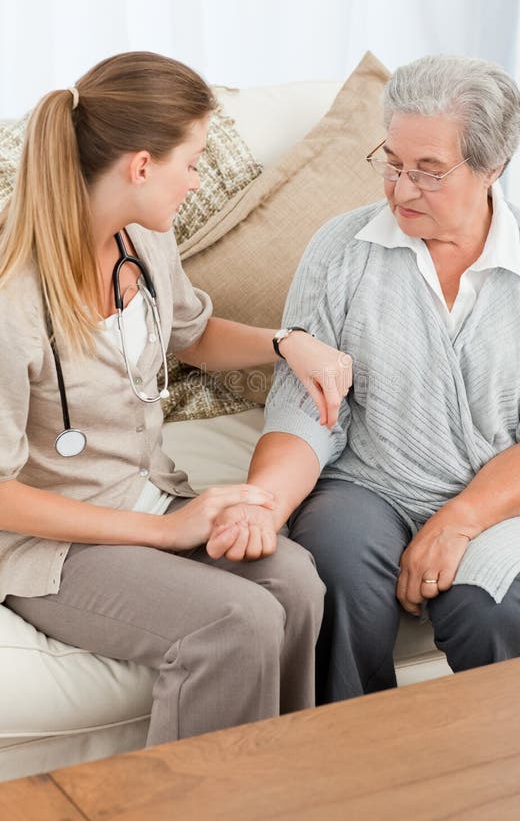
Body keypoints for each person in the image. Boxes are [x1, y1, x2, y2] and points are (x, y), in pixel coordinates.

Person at [205, 54, 520, 704]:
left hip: (498, 498)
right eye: (391, 162)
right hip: (367, 485)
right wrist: (266, 501)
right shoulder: (339, 250)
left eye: (429, 171)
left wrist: (461, 519)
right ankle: (348, 771)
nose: (401, 189)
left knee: (497, 608)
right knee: (330, 565)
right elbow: (307, 406)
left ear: (492, 166)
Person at [0, 51, 355, 742]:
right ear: (140, 165)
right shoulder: (13, 298)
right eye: (190, 163)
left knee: (300, 584)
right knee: (236, 621)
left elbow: (190, 333)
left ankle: (279, 790)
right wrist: (165, 531)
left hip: (150, 492)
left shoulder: (140, 239)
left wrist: (288, 342)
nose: (195, 182)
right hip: (53, 543)